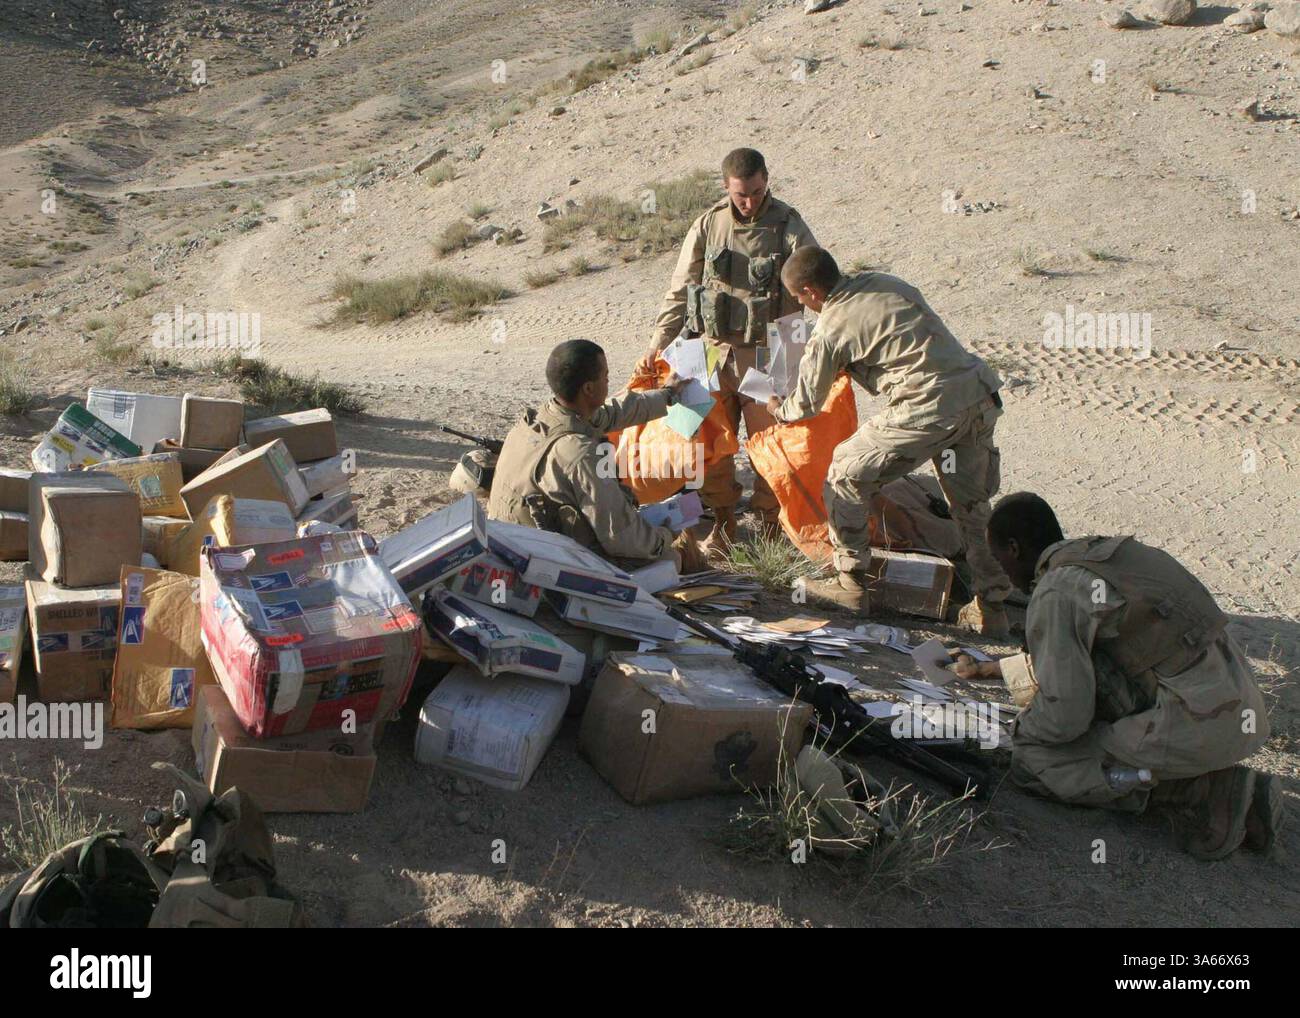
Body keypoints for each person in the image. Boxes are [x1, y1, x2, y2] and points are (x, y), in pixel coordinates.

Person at [953, 492, 1282, 860]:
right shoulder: (1102, 559)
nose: (1006, 577)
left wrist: (1021, 732)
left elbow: (1066, 717)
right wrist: (990, 668)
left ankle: (1203, 791)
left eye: (1000, 561)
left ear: (1013, 548)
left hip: (1198, 721)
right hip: (1236, 707)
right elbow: (1098, 655)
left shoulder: (1054, 591)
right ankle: (1200, 776)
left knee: (1035, 762)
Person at [768, 246, 1010, 632]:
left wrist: (779, 408)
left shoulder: (831, 326)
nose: (802, 305)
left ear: (811, 291)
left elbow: (808, 402)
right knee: (972, 506)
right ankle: (992, 607)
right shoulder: (885, 282)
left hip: (927, 407)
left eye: (799, 298)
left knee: (844, 472)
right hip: (976, 394)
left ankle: (850, 582)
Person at [640, 147, 818, 553]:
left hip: (769, 355)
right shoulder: (707, 225)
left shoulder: (789, 225)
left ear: (767, 179)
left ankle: (771, 525)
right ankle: (723, 522)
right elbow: (680, 289)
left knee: (770, 448)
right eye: (741, 195)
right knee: (705, 444)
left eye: (757, 191)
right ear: (726, 187)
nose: (750, 202)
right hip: (711, 354)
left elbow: (814, 280)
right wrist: (658, 343)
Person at [488, 339, 704, 570]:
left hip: (507, 543)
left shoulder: (542, 419)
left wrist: (667, 394)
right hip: (536, 561)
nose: (608, 382)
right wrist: (665, 535)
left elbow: (615, 412)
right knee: (668, 560)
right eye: (606, 376)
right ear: (589, 389)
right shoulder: (581, 454)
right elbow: (621, 538)